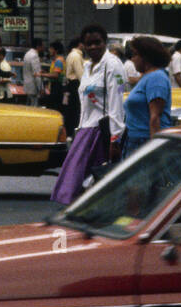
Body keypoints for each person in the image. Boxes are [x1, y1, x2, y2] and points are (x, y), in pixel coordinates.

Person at [50, 24, 126, 205]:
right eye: (89, 44)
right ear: (83, 45)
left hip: (102, 131)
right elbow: (85, 102)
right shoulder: (88, 66)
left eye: (97, 42)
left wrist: (115, 139)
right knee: (75, 179)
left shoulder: (113, 65)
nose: (93, 47)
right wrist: (79, 128)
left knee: (94, 180)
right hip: (86, 129)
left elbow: (116, 101)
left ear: (105, 42)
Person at [120, 37, 172, 158]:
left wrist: (155, 152)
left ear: (146, 56)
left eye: (135, 54)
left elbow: (155, 118)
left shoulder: (156, 78)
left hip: (144, 141)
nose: (132, 59)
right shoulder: (146, 77)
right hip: (134, 140)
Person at [62, 34, 84, 136]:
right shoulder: (76, 56)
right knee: (75, 111)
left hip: (70, 85)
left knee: (71, 111)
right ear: (80, 44)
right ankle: (73, 133)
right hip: (75, 85)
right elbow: (80, 74)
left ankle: (70, 133)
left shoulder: (71, 55)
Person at [22, 36, 44, 108]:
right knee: (34, 108)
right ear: (38, 46)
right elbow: (36, 74)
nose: (43, 48)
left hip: (27, 85)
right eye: (42, 46)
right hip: (33, 87)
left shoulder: (27, 54)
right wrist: (41, 88)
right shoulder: (34, 56)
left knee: (29, 107)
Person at [45, 40, 67, 110]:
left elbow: (55, 75)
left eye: (51, 48)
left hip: (57, 88)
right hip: (55, 87)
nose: (49, 50)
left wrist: (41, 74)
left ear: (56, 50)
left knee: (55, 108)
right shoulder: (55, 61)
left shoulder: (58, 61)